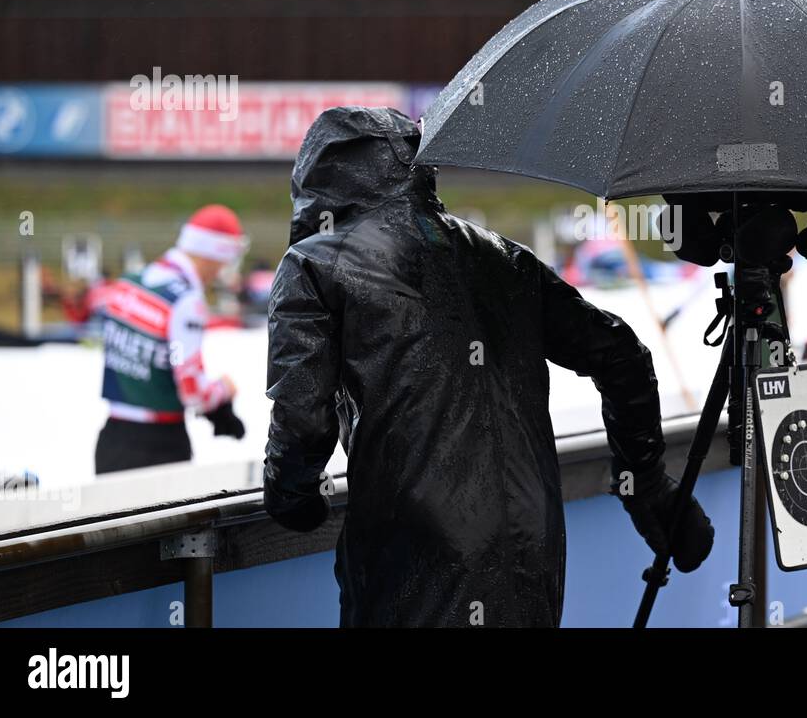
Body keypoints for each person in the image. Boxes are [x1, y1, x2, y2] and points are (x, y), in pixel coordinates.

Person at [263, 106, 714, 627]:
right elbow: (620, 355)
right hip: (531, 535)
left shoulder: (314, 264)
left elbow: (302, 416)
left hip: (412, 548)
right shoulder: (502, 257)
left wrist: (293, 499)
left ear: (318, 181)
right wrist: (647, 483)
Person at [96, 205, 248, 474]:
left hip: (111, 439)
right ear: (214, 254)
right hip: (158, 446)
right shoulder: (186, 302)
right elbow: (191, 391)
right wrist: (223, 390)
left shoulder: (128, 284)